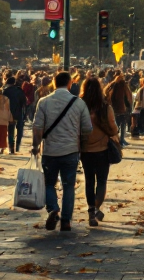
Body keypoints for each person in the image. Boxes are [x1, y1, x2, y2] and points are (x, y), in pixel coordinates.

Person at [32, 72, 92, 232]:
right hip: (71, 150)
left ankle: (53, 208)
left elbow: (37, 127)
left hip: (50, 151)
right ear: (70, 84)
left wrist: (36, 145)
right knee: (68, 186)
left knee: (49, 183)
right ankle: (66, 221)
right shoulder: (78, 103)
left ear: (53, 83)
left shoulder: (43, 102)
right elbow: (87, 128)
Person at [79, 77, 119, 228]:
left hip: (85, 149)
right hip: (102, 148)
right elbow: (114, 129)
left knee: (89, 180)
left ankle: (90, 211)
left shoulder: (79, 106)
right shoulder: (105, 107)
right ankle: (96, 208)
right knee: (101, 180)